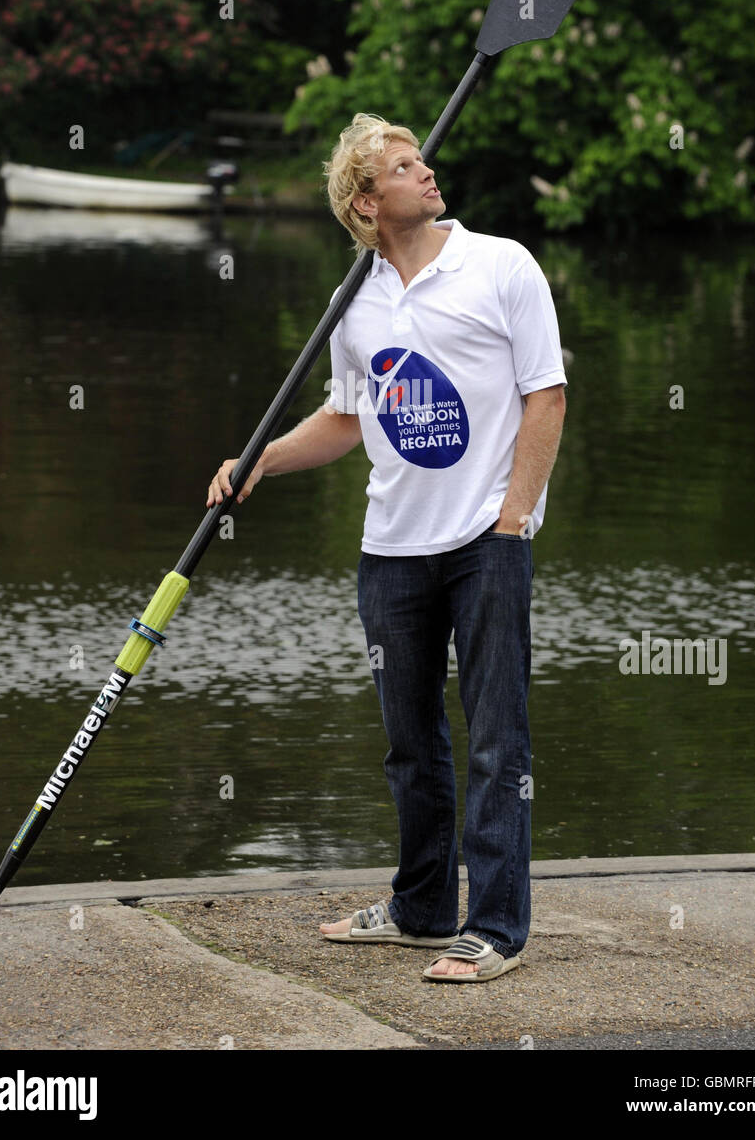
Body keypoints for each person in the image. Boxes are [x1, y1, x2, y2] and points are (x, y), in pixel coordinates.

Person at [207, 113, 567, 981]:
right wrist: (262, 458)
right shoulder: (354, 303)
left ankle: (495, 929)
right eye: (404, 168)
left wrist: (513, 518)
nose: (427, 172)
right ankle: (417, 909)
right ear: (367, 203)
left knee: (495, 742)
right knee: (410, 745)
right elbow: (344, 417)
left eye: (421, 158)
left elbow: (545, 395)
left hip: (485, 538)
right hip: (391, 548)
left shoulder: (500, 265)